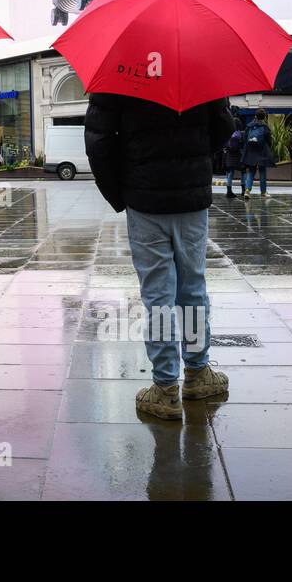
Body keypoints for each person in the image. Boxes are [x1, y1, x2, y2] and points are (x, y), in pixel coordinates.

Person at [85, 91, 236, 420]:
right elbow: (223, 126)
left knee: (158, 294)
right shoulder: (201, 64)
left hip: (144, 199)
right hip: (191, 199)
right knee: (192, 287)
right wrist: (193, 161)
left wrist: (120, 193)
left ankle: (166, 388)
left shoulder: (117, 74)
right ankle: (197, 373)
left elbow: (98, 142)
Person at [241, 109, 275, 198]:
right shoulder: (265, 127)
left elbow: (245, 138)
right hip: (262, 151)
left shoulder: (249, 126)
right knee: (262, 172)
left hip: (251, 151)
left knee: (251, 172)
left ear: (255, 116)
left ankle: (247, 191)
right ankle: (263, 192)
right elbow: (269, 141)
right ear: (264, 117)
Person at [222, 119, 245, 198]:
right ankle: (243, 191)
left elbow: (224, 145)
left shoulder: (228, 134)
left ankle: (229, 191)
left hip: (229, 155)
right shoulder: (241, 134)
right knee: (243, 172)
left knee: (230, 173)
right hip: (239, 155)